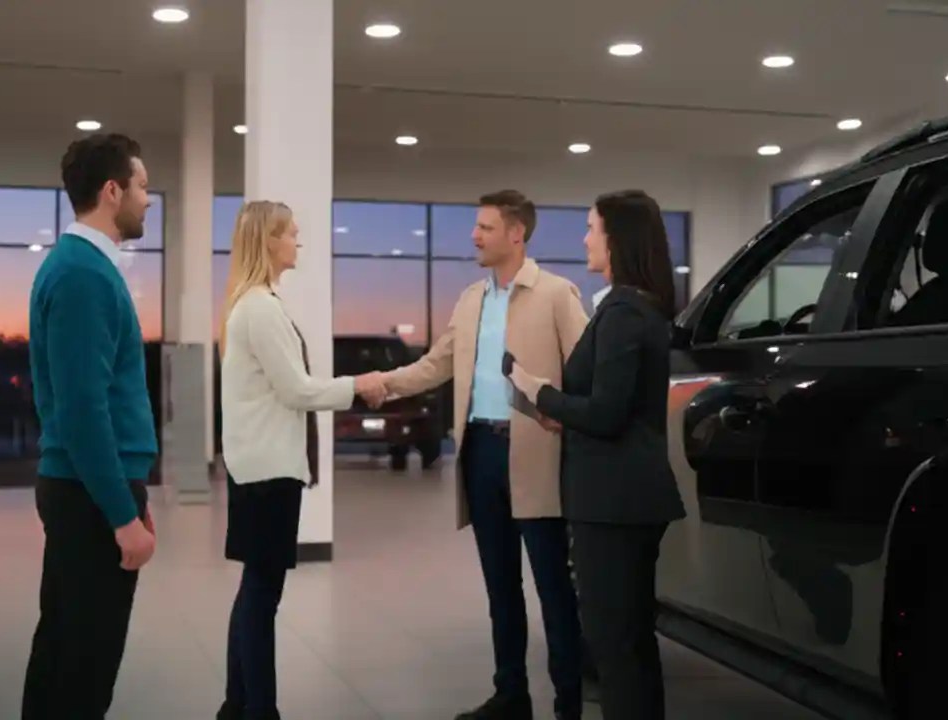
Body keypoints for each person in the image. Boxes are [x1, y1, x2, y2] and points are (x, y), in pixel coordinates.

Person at [379, 190, 590, 720]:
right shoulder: (471, 299)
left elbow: (587, 375)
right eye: (475, 227)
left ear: (516, 234)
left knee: (554, 589)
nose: (474, 236)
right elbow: (437, 364)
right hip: (480, 455)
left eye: (485, 227)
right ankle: (510, 695)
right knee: (501, 586)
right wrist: (382, 383)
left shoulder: (557, 294)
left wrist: (570, 419)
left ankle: (569, 703)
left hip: (537, 457)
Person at [506, 190, 688, 719]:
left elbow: (607, 414)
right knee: (630, 644)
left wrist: (540, 392)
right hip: (625, 500)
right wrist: (562, 410)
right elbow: (615, 406)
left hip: (614, 503)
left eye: (591, 228)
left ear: (618, 239)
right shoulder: (639, 307)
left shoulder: (624, 311)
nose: (585, 238)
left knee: (616, 647)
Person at [216, 200, 386, 720]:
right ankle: (259, 710)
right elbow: (296, 390)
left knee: (254, 590)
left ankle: (239, 704)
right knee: (262, 597)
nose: (298, 241)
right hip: (267, 474)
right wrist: (358, 387)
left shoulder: (254, 302)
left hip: (259, 469)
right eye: (291, 233)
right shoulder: (260, 308)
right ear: (268, 241)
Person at [22, 133, 158, 720]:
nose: (149, 200)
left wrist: (130, 493)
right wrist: (121, 515)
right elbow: (83, 411)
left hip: (90, 488)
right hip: (87, 495)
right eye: (143, 186)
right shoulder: (82, 275)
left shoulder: (82, 267)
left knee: (64, 648)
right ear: (112, 191)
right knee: (84, 665)